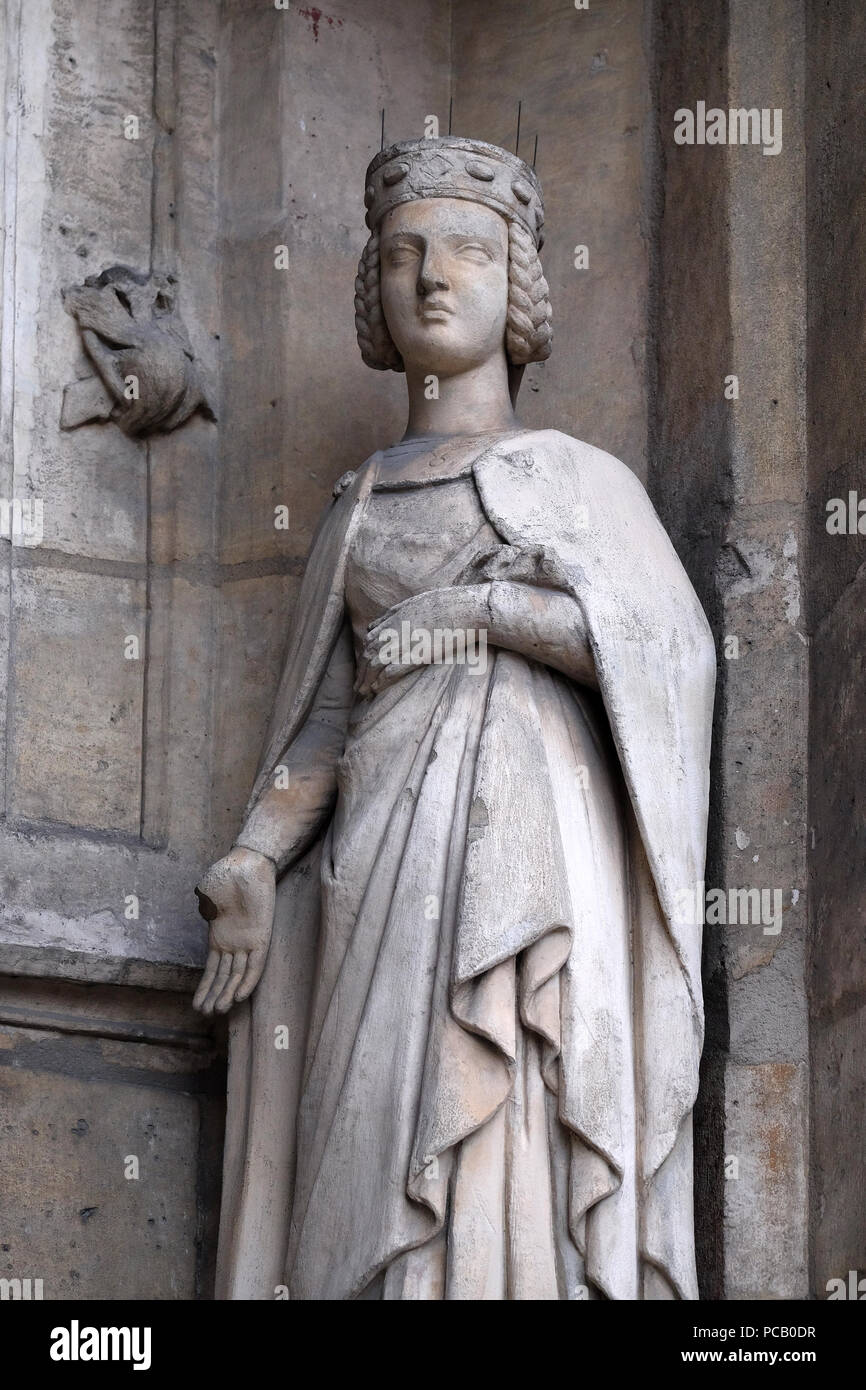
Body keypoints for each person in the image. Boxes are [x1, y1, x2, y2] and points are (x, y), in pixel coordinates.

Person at [193, 137, 716, 1301]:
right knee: (372, 1132)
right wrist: (252, 856)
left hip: (527, 865)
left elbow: (658, 664)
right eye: (402, 255)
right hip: (378, 871)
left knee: (506, 1128)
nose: (433, 276)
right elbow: (325, 719)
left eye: (469, 252)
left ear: (517, 280)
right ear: (373, 291)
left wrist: (487, 610)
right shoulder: (361, 502)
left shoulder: (577, 482)